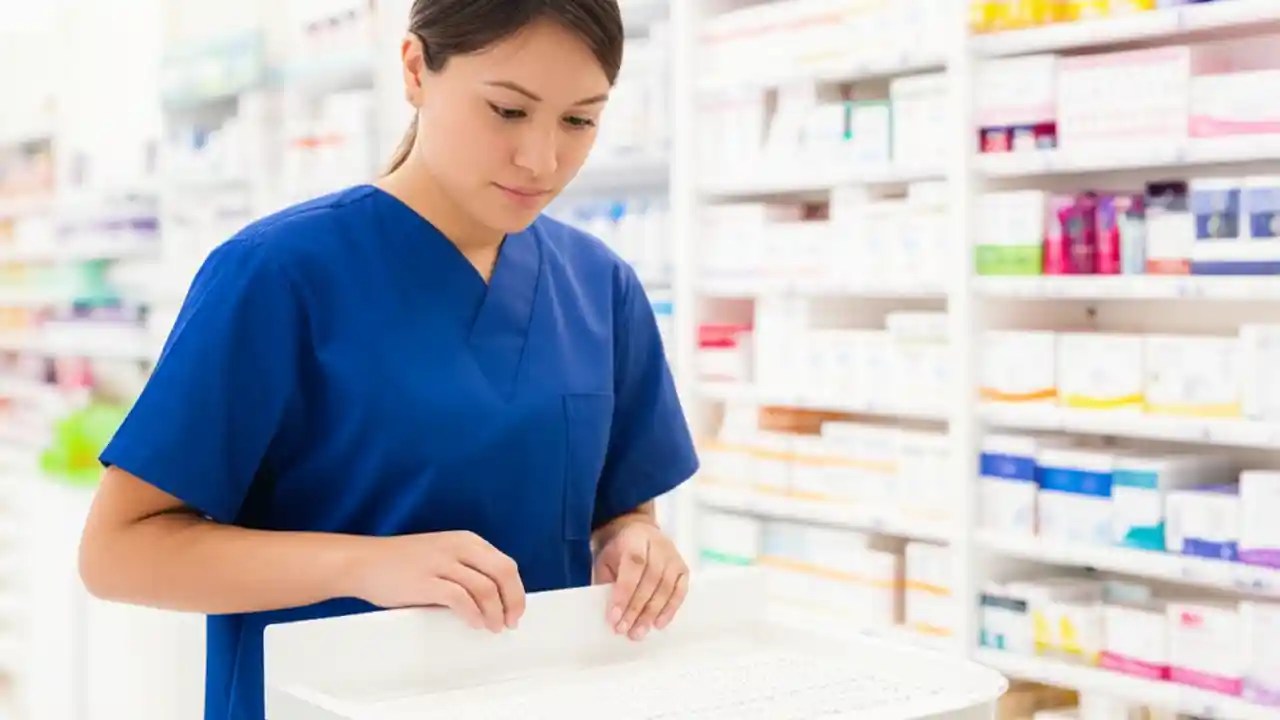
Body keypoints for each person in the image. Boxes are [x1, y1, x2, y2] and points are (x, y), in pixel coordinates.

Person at [76, 1, 699, 717]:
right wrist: (365, 564)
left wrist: (634, 541)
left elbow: (621, 508)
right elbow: (119, 552)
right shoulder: (278, 274)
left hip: (534, 697)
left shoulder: (600, 286)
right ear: (415, 70)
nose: (542, 159)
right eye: (506, 111)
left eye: (579, 120)